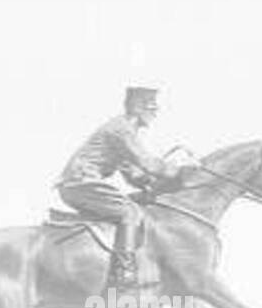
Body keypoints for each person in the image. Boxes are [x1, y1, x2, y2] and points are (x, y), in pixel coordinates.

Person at [56, 87, 194, 289]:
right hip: (81, 183)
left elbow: (134, 175)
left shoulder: (124, 131)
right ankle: (123, 272)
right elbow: (148, 164)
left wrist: (153, 184)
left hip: (79, 183)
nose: (156, 110)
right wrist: (181, 171)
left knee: (133, 204)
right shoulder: (121, 129)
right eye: (150, 106)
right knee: (130, 212)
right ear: (137, 107)